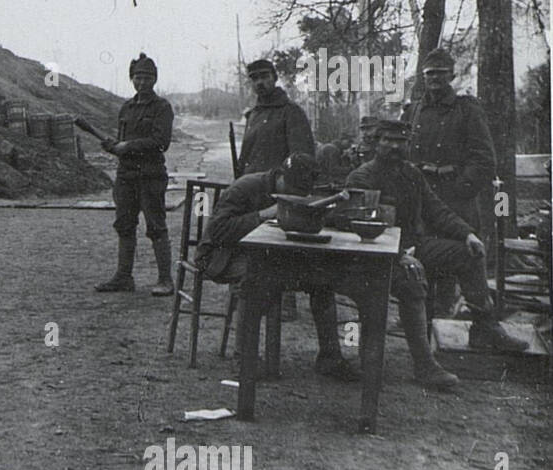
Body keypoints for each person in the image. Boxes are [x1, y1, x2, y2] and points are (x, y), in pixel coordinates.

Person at [346, 120, 525, 368]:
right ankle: (423, 363)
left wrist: (467, 234)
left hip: (413, 246)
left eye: (401, 141)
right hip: (375, 255)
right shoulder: (362, 177)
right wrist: (398, 253)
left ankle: (485, 328)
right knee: (411, 283)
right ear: (377, 143)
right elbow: (358, 229)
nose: (395, 147)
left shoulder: (411, 174)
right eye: (388, 141)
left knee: (469, 254)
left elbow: (436, 210)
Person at [199, 153, 361, 382]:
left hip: (272, 256)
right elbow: (217, 231)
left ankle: (330, 357)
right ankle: (245, 359)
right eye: (292, 188)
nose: (295, 195)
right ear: (280, 175)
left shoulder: (295, 190)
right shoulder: (247, 186)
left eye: (301, 192)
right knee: (255, 278)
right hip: (223, 255)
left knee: (322, 282)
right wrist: (265, 214)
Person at [95, 53, 175, 296]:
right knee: (124, 225)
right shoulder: (126, 108)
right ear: (132, 79)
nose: (142, 82)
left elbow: (161, 142)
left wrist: (127, 147)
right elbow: (122, 141)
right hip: (126, 176)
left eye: (147, 77)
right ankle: (123, 278)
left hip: (150, 176)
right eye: (138, 77)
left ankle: (165, 280)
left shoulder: (162, 107)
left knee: (156, 227)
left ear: (155, 80)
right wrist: (113, 146)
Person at [403, 47, 495, 231]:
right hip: (420, 197)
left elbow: (484, 159)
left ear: (451, 76)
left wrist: (461, 189)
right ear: (424, 77)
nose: (435, 78)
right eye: (430, 73)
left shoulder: (467, 110)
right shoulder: (413, 111)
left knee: (458, 252)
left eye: (441, 73)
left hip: (455, 199)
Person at [239, 58, 316, 174]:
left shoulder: (291, 112)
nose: (259, 82)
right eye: (254, 78)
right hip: (250, 184)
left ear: (274, 78)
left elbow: (301, 158)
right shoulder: (252, 115)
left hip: (276, 187)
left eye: (265, 76)